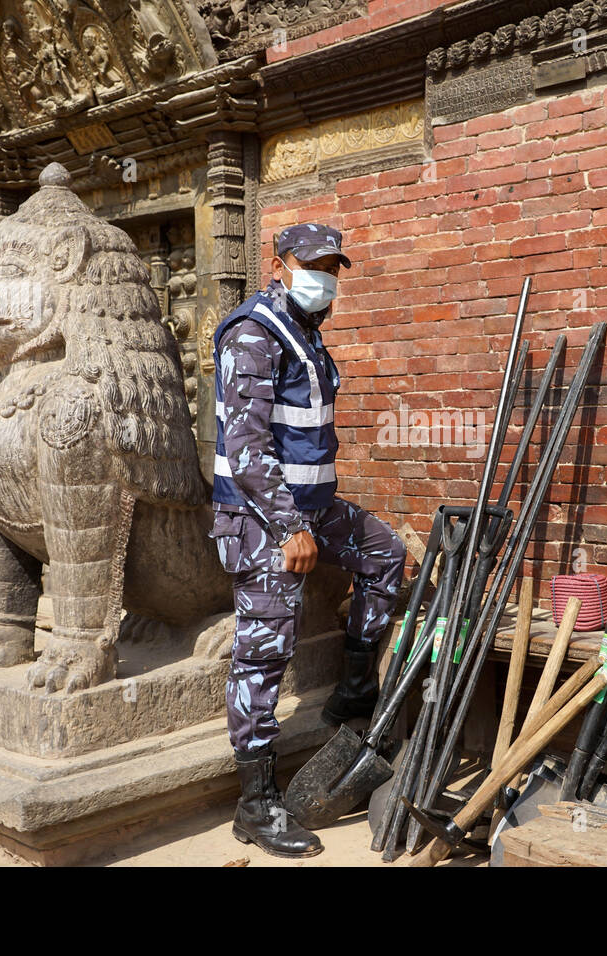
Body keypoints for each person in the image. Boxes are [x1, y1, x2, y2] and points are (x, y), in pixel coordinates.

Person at [210, 223, 406, 858]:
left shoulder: (307, 333)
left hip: (313, 508)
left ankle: (354, 686)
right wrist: (290, 525)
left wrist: (308, 516)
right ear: (280, 262)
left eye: (334, 265)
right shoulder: (252, 333)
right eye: (313, 262)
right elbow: (244, 446)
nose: (326, 275)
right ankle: (256, 803)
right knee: (263, 654)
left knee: (385, 553)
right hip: (263, 518)